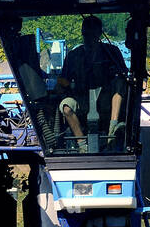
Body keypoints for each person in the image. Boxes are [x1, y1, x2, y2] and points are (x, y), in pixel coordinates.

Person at [55, 16, 128, 150]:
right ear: (83, 33)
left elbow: (124, 76)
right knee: (66, 106)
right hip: (82, 100)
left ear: (99, 33)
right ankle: (82, 144)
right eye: (87, 33)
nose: (89, 37)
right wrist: (63, 86)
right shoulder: (73, 56)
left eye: (93, 33)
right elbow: (62, 80)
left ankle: (113, 127)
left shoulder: (112, 52)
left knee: (120, 83)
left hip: (106, 100)